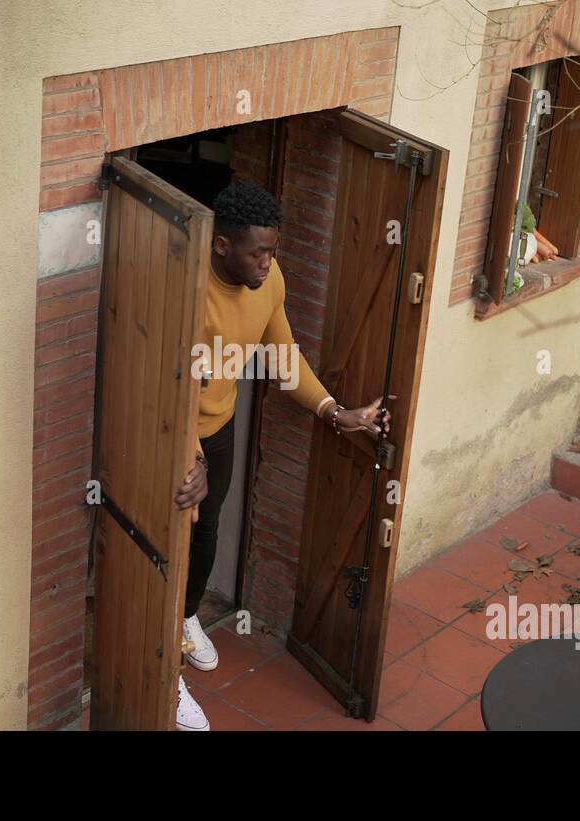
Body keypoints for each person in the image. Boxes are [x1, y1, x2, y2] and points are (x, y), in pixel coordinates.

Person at [172, 180, 389, 731]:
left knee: (205, 531)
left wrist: (333, 412)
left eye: (273, 251)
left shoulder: (268, 282)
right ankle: (163, 674)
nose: (268, 263)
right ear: (222, 244)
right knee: (162, 547)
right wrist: (187, 458)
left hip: (217, 427)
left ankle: (186, 616)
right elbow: (165, 380)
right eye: (258, 252)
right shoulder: (186, 288)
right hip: (168, 434)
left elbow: (281, 355)